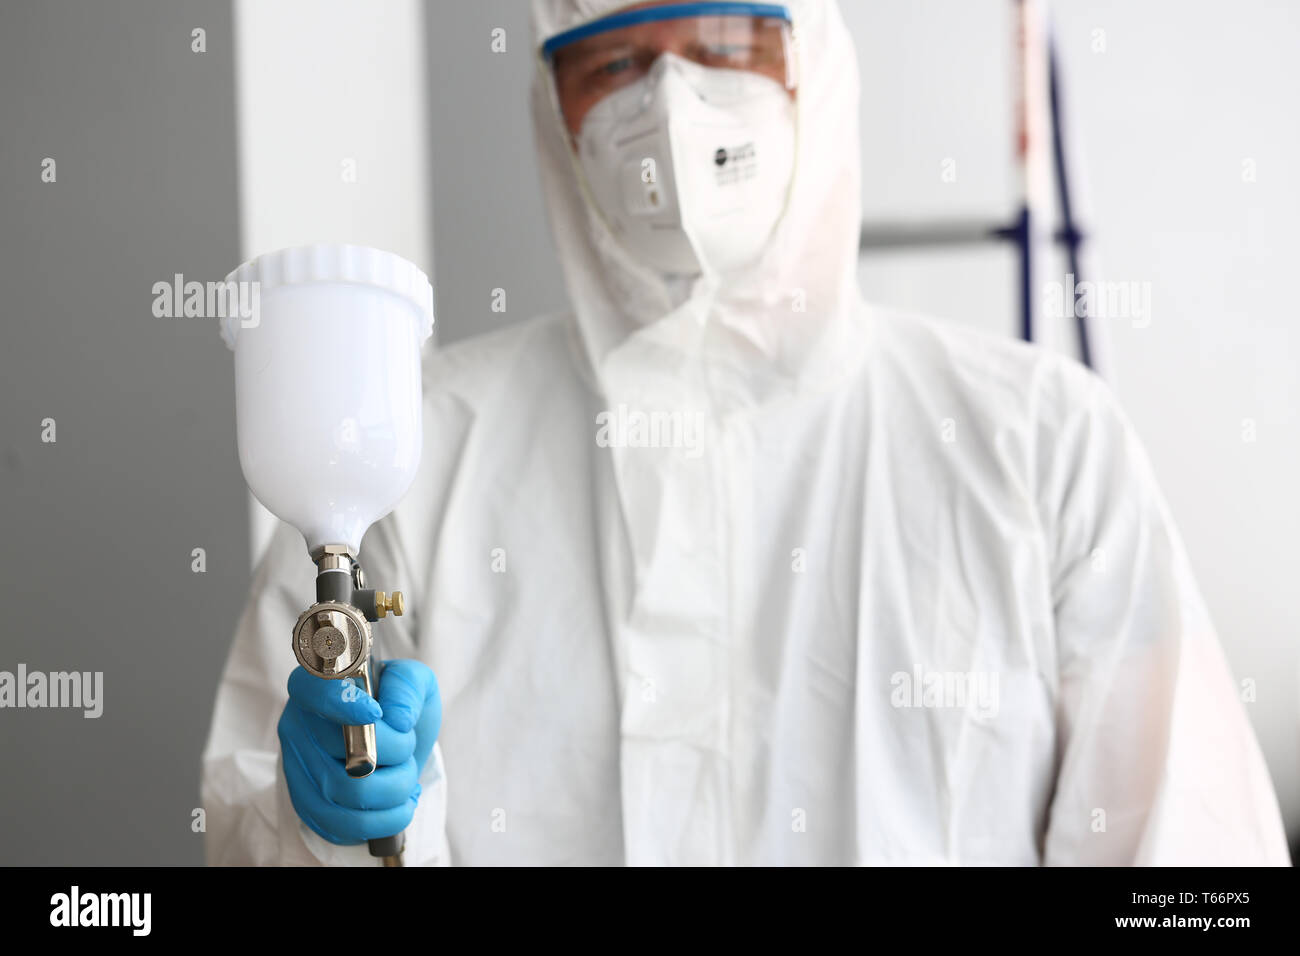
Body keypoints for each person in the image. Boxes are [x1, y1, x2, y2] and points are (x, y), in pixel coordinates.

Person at [200, 0, 1290, 865]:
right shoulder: (414, 448)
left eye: (728, 40)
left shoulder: (1044, 445)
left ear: (813, 65)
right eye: (613, 63)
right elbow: (252, 826)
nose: (672, 103)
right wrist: (325, 830)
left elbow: (1183, 853)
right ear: (556, 111)